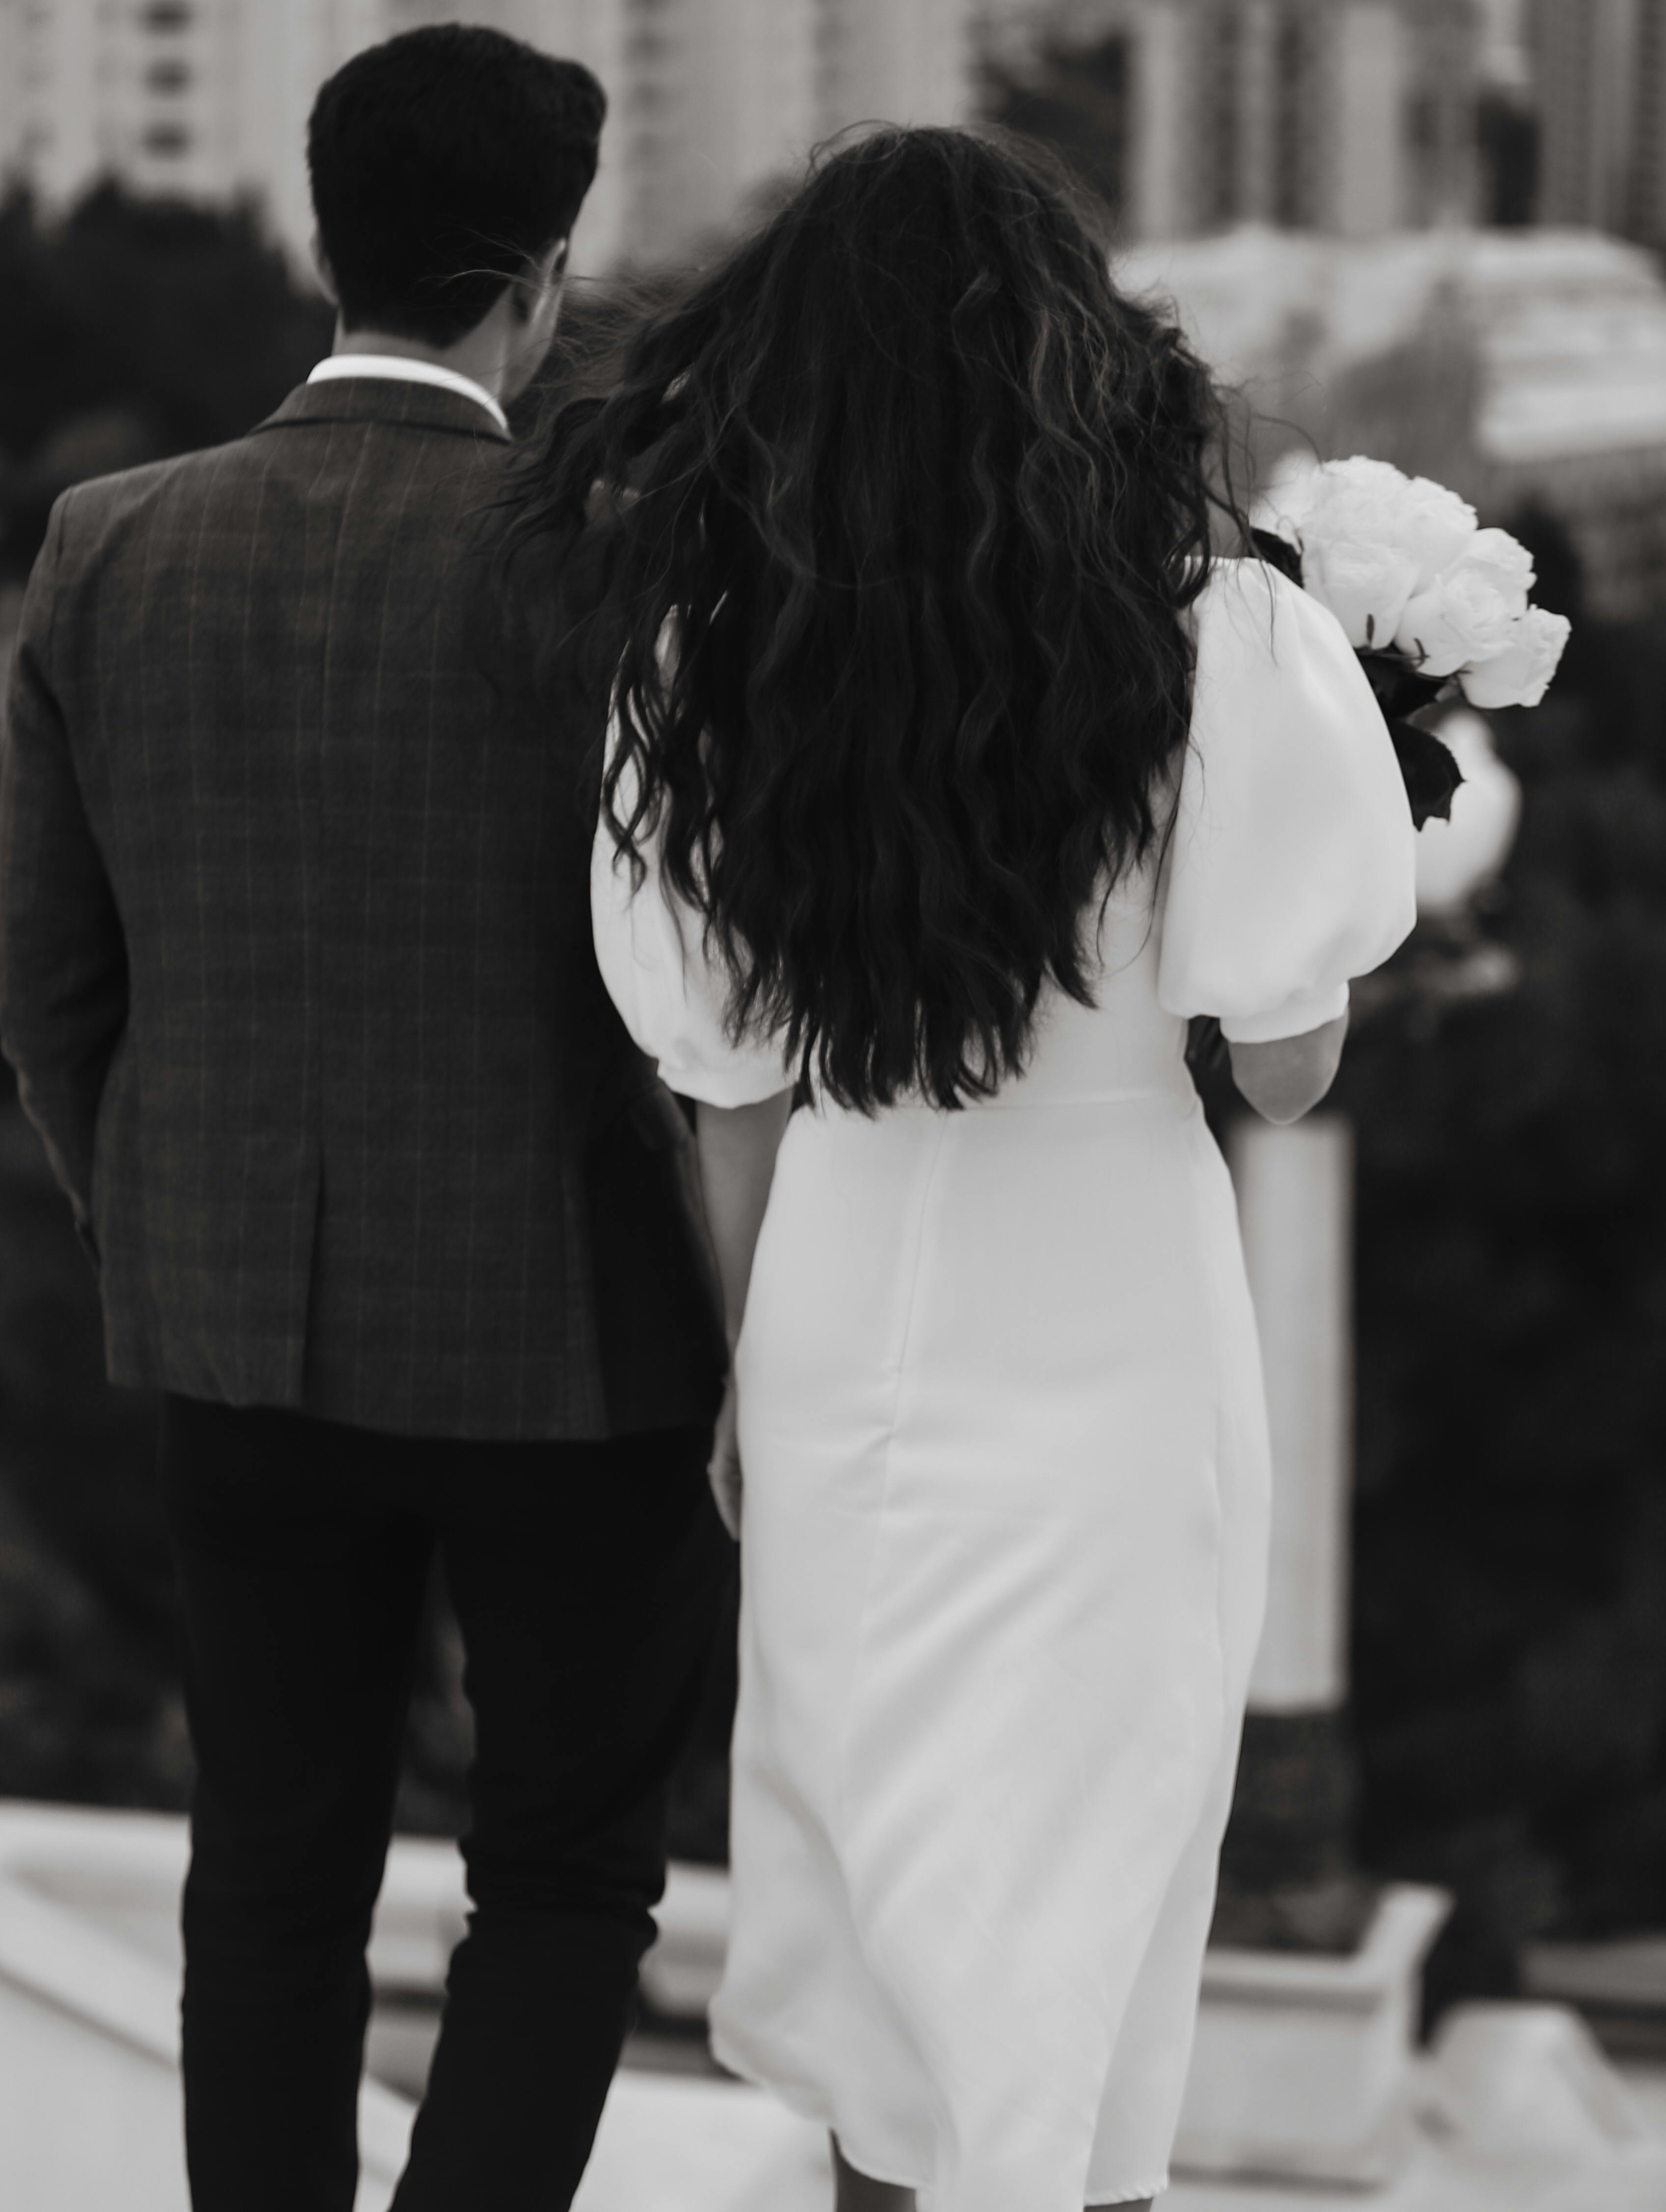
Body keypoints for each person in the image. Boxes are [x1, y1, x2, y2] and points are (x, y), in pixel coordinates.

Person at [504, 125, 1417, 2212]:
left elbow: (719, 1083)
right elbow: (1281, 1075)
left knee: (879, 1853)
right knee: (1091, 1865)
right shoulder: (1219, 638)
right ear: (1073, 355)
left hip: (849, 1279)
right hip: (1118, 1292)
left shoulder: (699, 659)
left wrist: (751, 1372)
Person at [0, 22, 728, 2212]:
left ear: (330, 243)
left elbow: (49, 992)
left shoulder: (104, 546)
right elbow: (698, 991)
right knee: (566, 1876)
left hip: (229, 1335)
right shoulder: (619, 565)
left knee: (272, 1873)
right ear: (547, 275)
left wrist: (165, 1226)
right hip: (577, 1343)